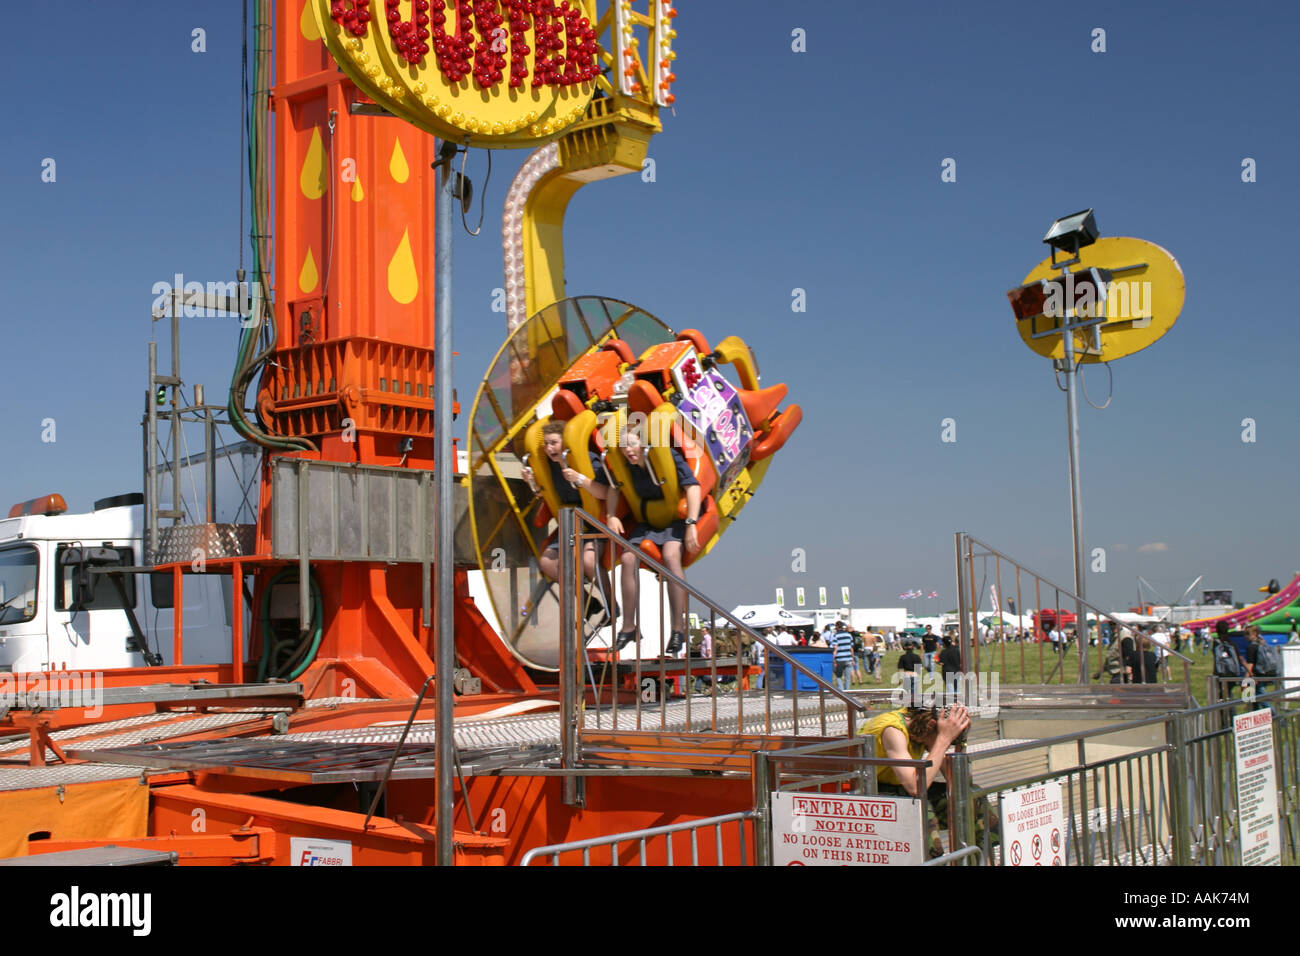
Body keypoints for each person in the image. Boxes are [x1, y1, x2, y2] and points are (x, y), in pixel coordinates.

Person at [605, 426, 701, 656]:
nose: (628, 450)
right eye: (624, 446)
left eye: (632, 444)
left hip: (674, 520)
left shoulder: (668, 458)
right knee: (627, 558)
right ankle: (628, 627)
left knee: (670, 556)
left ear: (645, 444)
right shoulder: (626, 468)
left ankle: (678, 629)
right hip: (648, 521)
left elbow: (693, 487)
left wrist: (691, 523)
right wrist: (611, 514)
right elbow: (613, 488)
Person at [522, 420, 614, 623]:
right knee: (547, 561)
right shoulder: (549, 467)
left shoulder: (587, 459)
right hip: (569, 522)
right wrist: (532, 483)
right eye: (546, 444)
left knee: (589, 562)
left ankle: (611, 607)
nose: (549, 448)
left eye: (554, 443)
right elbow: (544, 495)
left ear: (566, 443)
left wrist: (579, 478)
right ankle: (586, 601)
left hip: (593, 520)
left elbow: (606, 492)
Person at [938, 635, 962, 703]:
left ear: (944, 643)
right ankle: (959, 704)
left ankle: (951, 705)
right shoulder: (957, 649)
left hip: (948, 672)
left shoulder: (943, 652)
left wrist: (937, 661)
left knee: (950, 692)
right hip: (957, 671)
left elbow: (941, 663)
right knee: (957, 690)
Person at [832, 621, 855, 691]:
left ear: (837, 627)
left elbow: (835, 648)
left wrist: (833, 659)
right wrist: (853, 659)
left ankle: (841, 691)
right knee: (847, 677)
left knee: (838, 676)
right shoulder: (849, 635)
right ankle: (847, 691)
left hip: (839, 659)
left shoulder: (836, 636)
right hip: (848, 658)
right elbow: (851, 648)